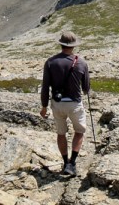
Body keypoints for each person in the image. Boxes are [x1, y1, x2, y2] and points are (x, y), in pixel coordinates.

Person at [40, 31, 90, 177]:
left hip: (57, 104)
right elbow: (86, 88)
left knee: (61, 133)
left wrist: (44, 106)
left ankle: (65, 162)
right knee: (79, 131)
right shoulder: (81, 62)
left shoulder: (50, 62)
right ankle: (72, 163)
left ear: (60, 44)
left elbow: (45, 87)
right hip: (74, 104)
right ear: (74, 46)